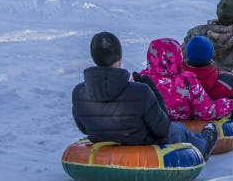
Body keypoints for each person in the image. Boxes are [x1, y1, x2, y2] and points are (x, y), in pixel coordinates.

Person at [72, 32, 218, 159]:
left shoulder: (78, 92)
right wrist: (153, 90)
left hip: (103, 142)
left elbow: (84, 128)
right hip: (143, 144)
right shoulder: (140, 91)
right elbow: (162, 128)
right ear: (119, 57)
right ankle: (204, 144)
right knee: (177, 129)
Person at [138, 37, 233, 121]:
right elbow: (206, 112)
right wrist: (230, 103)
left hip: (146, 128)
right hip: (182, 129)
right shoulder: (187, 80)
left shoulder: (140, 78)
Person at [184, 36, 233, 117]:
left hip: (181, 126)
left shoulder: (173, 83)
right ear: (211, 54)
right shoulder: (228, 83)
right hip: (221, 126)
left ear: (187, 54)